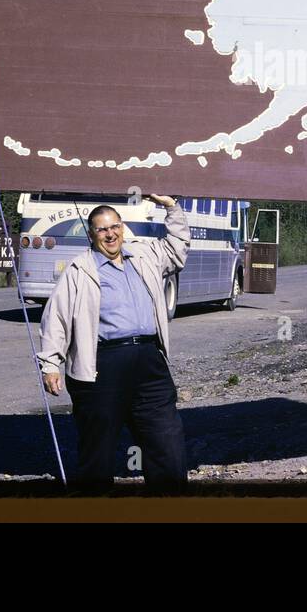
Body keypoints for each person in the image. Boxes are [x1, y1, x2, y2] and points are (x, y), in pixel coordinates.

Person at [38, 195, 190, 492]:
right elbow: (56, 317)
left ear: (123, 228)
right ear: (92, 235)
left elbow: (177, 247)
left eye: (115, 226)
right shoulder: (80, 270)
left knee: (165, 438)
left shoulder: (144, 256)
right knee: (99, 446)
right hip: (102, 364)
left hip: (149, 359)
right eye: (102, 229)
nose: (110, 234)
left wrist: (171, 207)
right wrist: (50, 364)